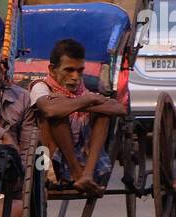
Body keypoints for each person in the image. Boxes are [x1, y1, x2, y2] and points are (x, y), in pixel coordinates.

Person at [29, 38, 125, 196]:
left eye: (80, 71)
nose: (75, 77)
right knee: (56, 115)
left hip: (82, 156)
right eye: (69, 70)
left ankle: (87, 175)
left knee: (103, 115)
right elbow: (50, 110)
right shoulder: (41, 87)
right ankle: (76, 174)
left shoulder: (83, 91)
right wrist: (86, 101)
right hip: (45, 160)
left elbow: (119, 108)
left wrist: (84, 102)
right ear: (52, 70)